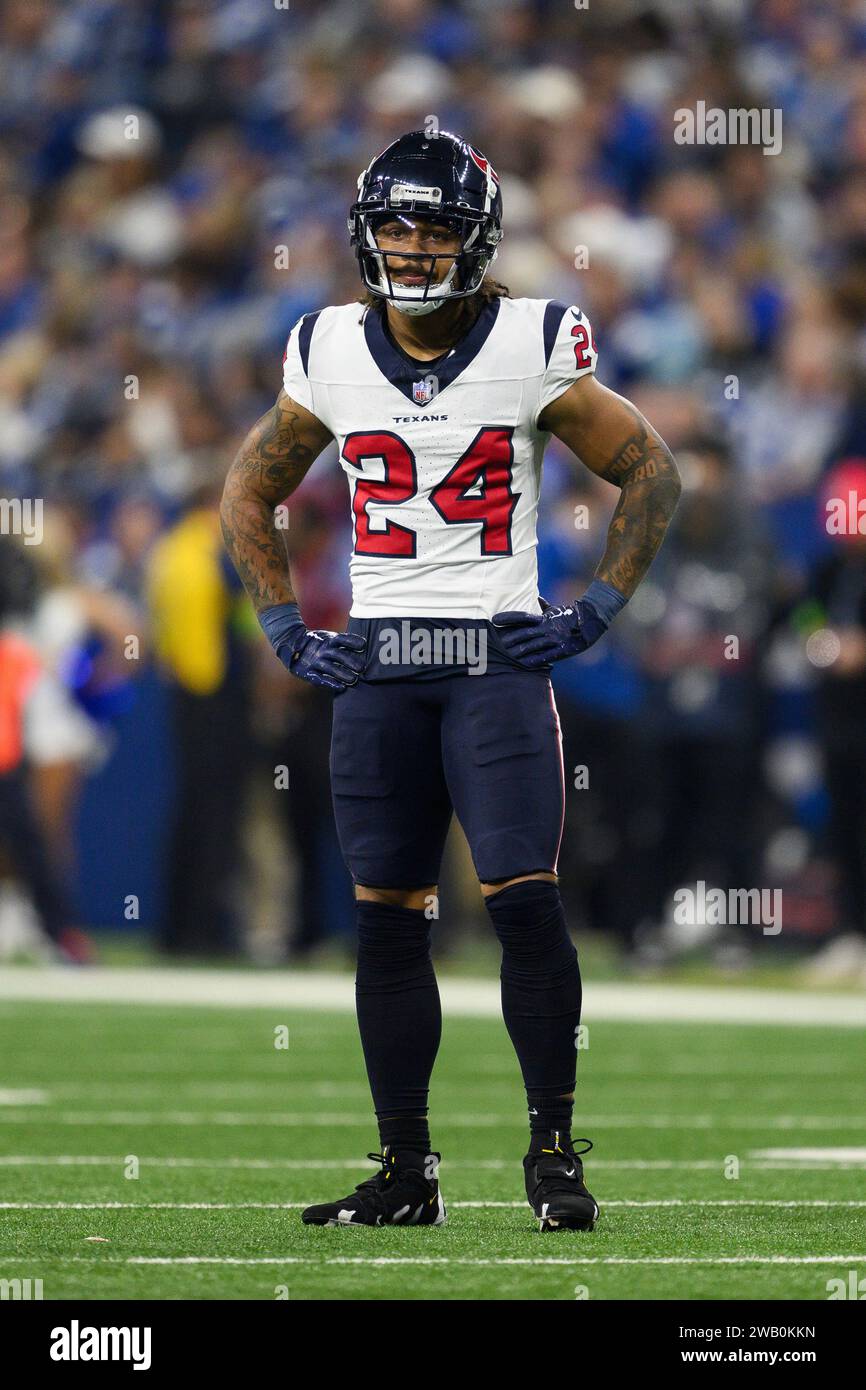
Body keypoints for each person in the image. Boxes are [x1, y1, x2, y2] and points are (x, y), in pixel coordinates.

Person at [220, 131, 681, 1231]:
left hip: (491, 665)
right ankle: (405, 1171)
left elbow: (650, 469)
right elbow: (247, 492)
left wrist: (594, 613)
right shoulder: (326, 345)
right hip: (380, 668)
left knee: (525, 907)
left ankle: (553, 1151)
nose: (413, 246)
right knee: (384, 924)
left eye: (433, 226)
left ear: (474, 238)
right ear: (364, 234)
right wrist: (286, 628)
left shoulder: (529, 339)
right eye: (395, 225)